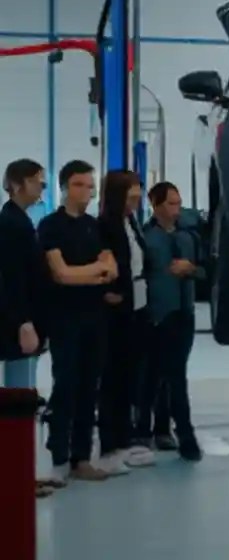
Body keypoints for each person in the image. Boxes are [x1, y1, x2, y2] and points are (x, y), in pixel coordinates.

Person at [39, 160, 116, 482]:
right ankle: (58, 453)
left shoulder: (94, 226)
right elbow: (60, 273)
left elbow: (111, 269)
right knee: (67, 385)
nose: (85, 191)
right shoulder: (50, 226)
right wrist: (92, 273)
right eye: (78, 185)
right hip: (64, 318)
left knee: (89, 388)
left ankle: (81, 457)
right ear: (64, 187)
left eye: (89, 185)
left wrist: (86, 274)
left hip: (94, 318)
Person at [0, 159, 58, 497]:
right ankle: (16, 478)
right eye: (38, 182)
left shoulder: (21, 221)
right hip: (19, 326)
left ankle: (23, 474)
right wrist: (24, 323)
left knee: (22, 400)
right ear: (18, 184)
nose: (41, 188)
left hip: (29, 322)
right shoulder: (10, 224)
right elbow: (12, 282)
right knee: (17, 402)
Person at [96, 170, 157, 473]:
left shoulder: (131, 223)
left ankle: (126, 436)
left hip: (138, 307)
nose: (136, 197)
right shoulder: (105, 226)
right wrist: (109, 292)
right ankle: (110, 443)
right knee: (113, 378)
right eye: (132, 192)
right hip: (118, 312)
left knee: (132, 376)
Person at [140, 182, 204, 461]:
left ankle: (164, 429)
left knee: (174, 374)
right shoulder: (145, 238)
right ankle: (170, 431)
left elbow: (208, 271)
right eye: (171, 204)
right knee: (156, 375)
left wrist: (194, 269)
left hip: (184, 315)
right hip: (156, 317)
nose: (177, 209)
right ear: (156, 205)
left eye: (178, 203)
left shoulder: (190, 238)